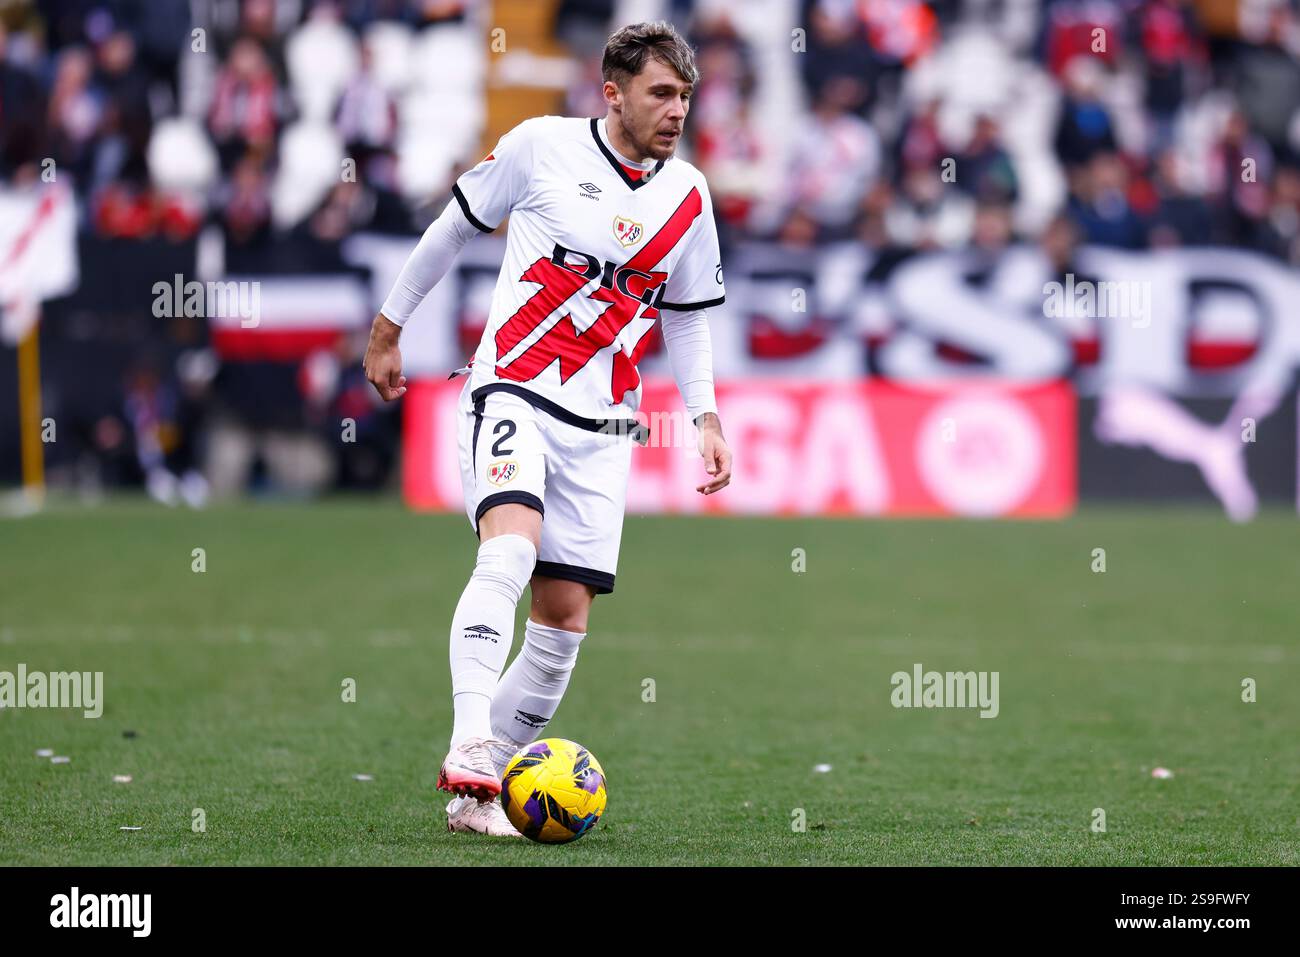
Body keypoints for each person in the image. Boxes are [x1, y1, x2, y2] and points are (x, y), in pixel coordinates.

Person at [362, 21, 733, 837]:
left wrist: (705, 415)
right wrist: (389, 329)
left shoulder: (690, 196)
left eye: (684, 96)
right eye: (660, 93)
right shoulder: (540, 148)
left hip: (605, 429)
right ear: (613, 93)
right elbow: (452, 229)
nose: (676, 111)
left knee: (562, 621)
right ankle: (469, 743)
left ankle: (475, 796)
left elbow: (690, 319)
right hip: (515, 391)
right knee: (510, 547)